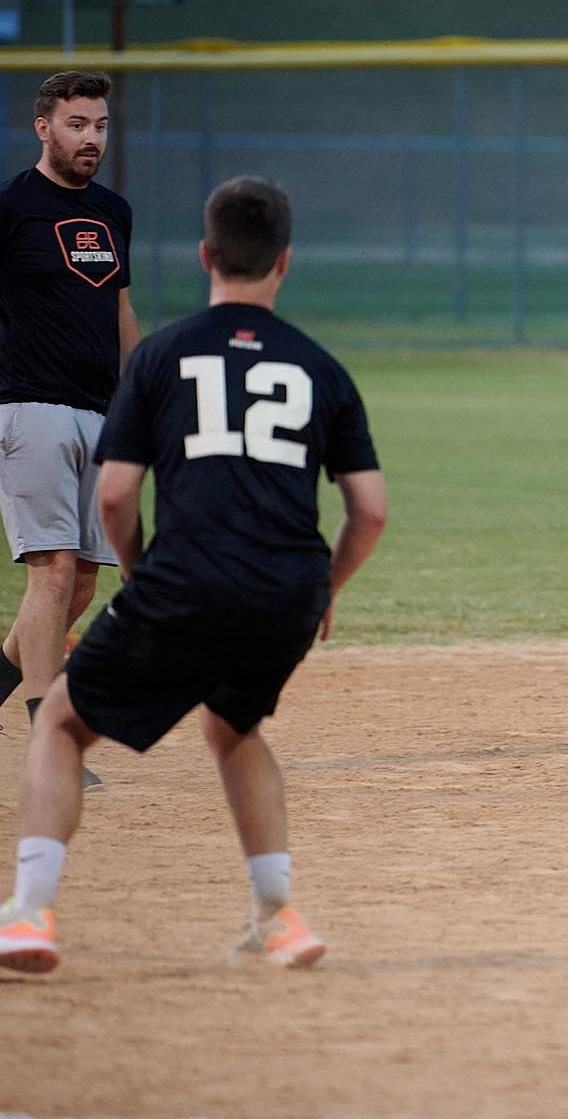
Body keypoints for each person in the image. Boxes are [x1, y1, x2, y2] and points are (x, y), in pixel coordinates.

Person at [0, 176, 388, 973]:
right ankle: (278, 916)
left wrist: (140, 574)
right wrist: (326, 590)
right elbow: (371, 510)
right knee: (233, 725)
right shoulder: (321, 367)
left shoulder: (161, 356)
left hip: (186, 577)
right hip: (287, 590)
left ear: (206, 255)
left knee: (62, 722)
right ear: (285, 262)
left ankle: (31, 912)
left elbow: (115, 495)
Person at [0, 71, 143, 792]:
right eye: (77, 124)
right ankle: (49, 741)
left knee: (80, 584)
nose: (92, 138)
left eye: (100, 125)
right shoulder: (12, 208)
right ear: (43, 128)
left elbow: (120, 312)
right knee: (52, 572)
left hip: (100, 413)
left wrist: (141, 402)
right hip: (29, 407)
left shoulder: (114, 212)